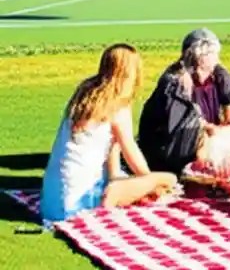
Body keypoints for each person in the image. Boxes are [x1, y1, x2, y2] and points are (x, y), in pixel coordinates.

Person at [41, 44, 178, 224]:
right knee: (169, 178)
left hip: (51, 203)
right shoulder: (117, 105)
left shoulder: (84, 92)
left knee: (123, 177)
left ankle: (120, 186)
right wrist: (150, 183)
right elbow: (131, 152)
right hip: (79, 205)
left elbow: (113, 146)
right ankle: (123, 191)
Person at [137, 29, 230, 174]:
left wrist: (226, 131)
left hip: (208, 136)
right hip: (170, 145)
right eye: (196, 68)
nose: (201, 76)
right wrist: (214, 132)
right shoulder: (174, 82)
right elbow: (187, 128)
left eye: (206, 69)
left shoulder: (220, 75)